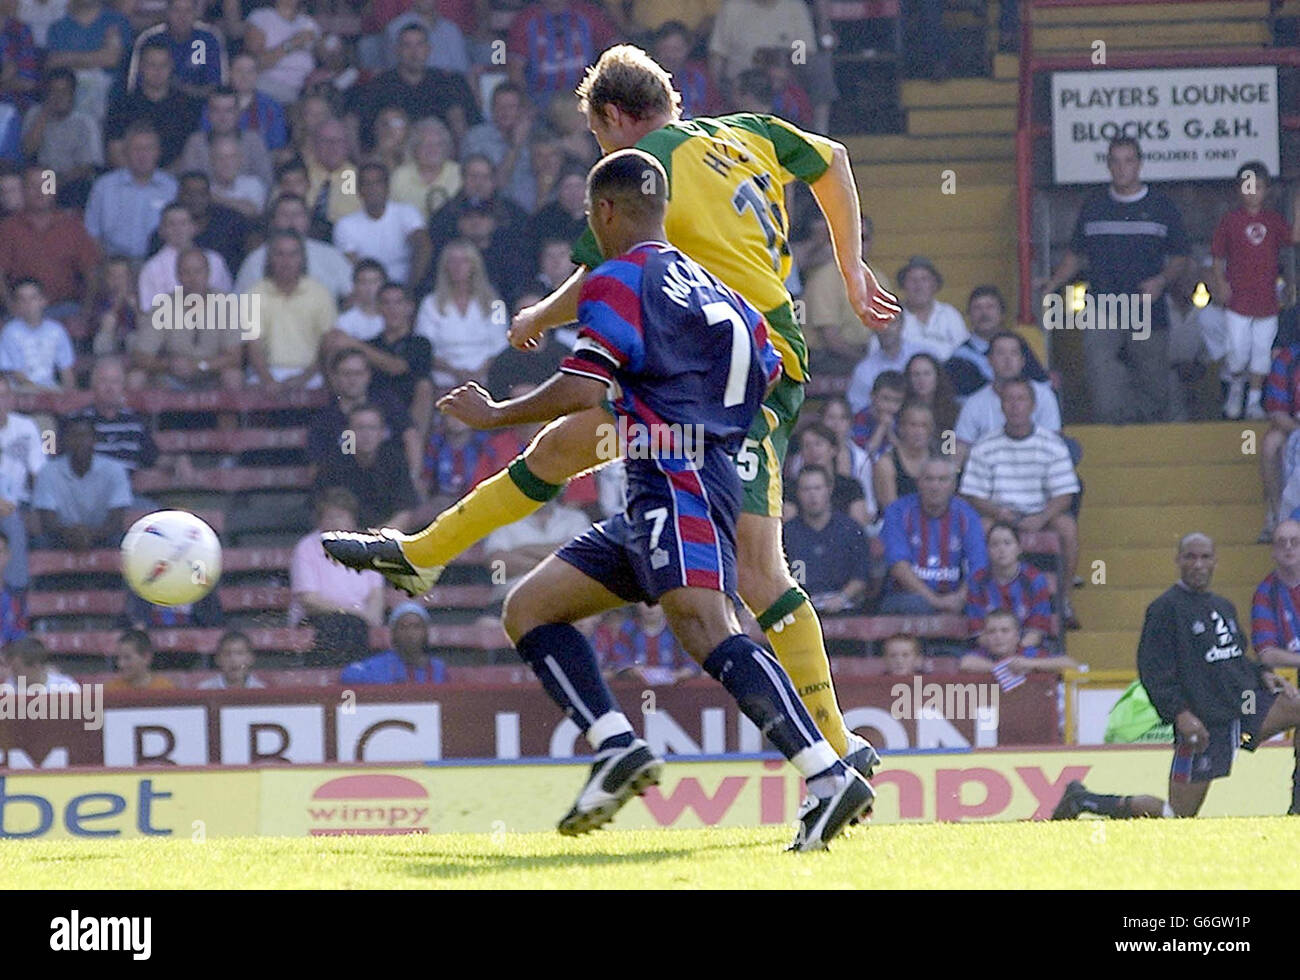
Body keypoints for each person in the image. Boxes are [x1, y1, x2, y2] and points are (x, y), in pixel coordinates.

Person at [325, 44, 899, 772]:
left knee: (757, 570)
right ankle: (422, 555)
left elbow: (607, 256)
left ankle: (836, 747)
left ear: (617, 116)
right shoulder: (744, 131)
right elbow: (833, 158)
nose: (603, 152)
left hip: (743, 370)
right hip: (697, 361)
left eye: (600, 136)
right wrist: (850, 268)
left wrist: (541, 314)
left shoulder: (648, 165)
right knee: (563, 449)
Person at [392, 149, 874, 847]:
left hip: (673, 480)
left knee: (707, 625)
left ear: (605, 211)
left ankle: (827, 773)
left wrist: (495, 415)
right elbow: (766, 367)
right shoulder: (714, 286)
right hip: (688, 478)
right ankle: (617, 745)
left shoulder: (618, 278)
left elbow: (582, 387)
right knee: (530, 608)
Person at [1055, 532, 1300, 820]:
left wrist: (1263, 674)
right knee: (1176, 816)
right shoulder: (1165, 609)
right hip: (1206, 723)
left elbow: (1232, 656)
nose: (1198, 564)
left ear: (1215, 562)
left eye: (1205, 557)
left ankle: (1296, 809)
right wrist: (1180, 714)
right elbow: (1153, 671)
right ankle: (1084, 799)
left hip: (1243, 706)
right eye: (1190, 557)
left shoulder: (1223, 606)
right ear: (1178, 561)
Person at [1039, 136, 1190, 424]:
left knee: (1154, 386)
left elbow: (1181, 257)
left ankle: (1149, 439)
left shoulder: (1162, 206)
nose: (1122, 168)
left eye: (1129, 161)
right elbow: (1074, 255)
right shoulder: (1094, 205)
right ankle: (1116, 437)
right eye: (1116, 161)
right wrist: (1052, 283)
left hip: (1148, 310)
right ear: (1108, 165)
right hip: (1103, 307)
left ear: (1140, 164)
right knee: (1101, 379)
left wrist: (1161, 281)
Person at [958, 379, 1081, 627]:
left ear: (1033, 405)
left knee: (1068, 528)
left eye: (1021, 399)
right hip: (998, 513)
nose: (1015, 406)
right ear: (1001, 406)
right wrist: (1000, 512)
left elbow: (1065, 495)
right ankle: (973, 596)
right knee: (975, 529)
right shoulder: (984, 446)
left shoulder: (1052, 443)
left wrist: (1042, 518)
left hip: (1041, 512)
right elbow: (973, 495)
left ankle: (1063, 599)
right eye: (1009, 400)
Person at [1211, 161, 1296, 420]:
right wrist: (1221, 283)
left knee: (1261, 352)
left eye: (1258, 186)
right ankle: (1237, 386)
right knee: (1237, 351)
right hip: (1237, 300)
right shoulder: (1230, 221)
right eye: (1247, 186)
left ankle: (1254, 401)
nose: (1252, 191)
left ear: (1266, 190)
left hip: (1267, 301)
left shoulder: (1273, 221)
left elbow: (1294, 238)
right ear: (1239, 189)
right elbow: (1217, 255)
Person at [879, 455, 986, 615]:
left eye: (943, 480)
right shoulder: (898, 512)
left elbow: (978, 564)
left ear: (953, 485)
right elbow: (898, 565)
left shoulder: (967, 515)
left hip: (956, 595)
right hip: (906, 596)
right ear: (918, 482)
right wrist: (935, 601)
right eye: (929, 479)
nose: (935, 486)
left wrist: (960, 598)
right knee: (916, 605)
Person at [290, 487, 384, 664]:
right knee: (341, 626)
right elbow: (309, 600)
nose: (335, 522)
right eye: (329, 517)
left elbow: (376, 594)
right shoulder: (306, 548)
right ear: (320, 521)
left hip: (358, 621)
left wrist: (372, 618)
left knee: (355, 628)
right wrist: (352, 612)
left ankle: (355, 680)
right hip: (319, 618)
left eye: (340, 516)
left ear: (352, 519)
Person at [130, 247, 244, 390]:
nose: (193, 279)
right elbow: (141, 355)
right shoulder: (164, 306)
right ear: (177, 276)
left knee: (233, 377)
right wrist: (168, 365)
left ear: (208, 274)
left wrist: (199, 366)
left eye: (198, 272)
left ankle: (227, 414)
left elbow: (235, 357)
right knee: (137, 378)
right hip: (173, 376)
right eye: (186, 272)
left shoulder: (227, 304)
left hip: (213, 375)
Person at [244, 229, 335, 389]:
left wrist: (303, 378)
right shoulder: (254, 293)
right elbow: (254, 346)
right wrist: (268, 380)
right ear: (270, 258)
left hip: (311, 374)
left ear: (302, 258)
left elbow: (328, 343)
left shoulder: (320, 292)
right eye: (280, 254)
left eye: (293, 254)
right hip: (266, 373)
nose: (287, 261)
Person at [953, 331, 1062, 465]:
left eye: (1014, 353)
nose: (1007, 359)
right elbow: (961, 448)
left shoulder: (1044, 396)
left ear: (1023, 361)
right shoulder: (974, 403)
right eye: (1000, 353)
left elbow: (1052, 443)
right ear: (989, 360)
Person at [415, 238, 506, 388]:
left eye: (464, 261)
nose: (458, 267)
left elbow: (500, 346)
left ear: (474, 265)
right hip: (444, 380)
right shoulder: (429, 303)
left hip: (486, 379)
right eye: (452, 261)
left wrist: (476, 375)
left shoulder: (496, 302)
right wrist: (456, 373)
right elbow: (425, 348)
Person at [32, 415, 131, 550]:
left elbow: (116, 522)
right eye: (74, 436)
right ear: (64, 441)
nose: (80, 442)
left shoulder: (114, 470)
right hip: (62, 536)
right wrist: (72, 534)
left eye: (85, 436)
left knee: (124, 541)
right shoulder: (48, 471)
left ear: (95, 440)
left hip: (102, 535)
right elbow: (48, 522)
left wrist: (89, 535)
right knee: (39, 542)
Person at [313, 404, 418, 530]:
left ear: (382, 432)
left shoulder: (396, 462)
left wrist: (378, 538)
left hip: (385, 538)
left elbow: (404, 512)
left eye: (372, 428)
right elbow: (325, 511)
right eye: (360, 428)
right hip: (343, 537)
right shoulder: (332, 463)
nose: (366, 434)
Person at [783, 465, 870, 615]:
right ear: (797, 493)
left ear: (829, 490)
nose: (812, 495)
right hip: (798, 611)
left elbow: (861, 576)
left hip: (844, 609)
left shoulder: (850, 529)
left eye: (817, 488)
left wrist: (841, 598)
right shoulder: (786, 533)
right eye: (806, 489)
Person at [234, 192, 353, 300]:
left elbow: (352, 294)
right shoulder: (255, 259)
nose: (291, 221)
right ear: (273, 221)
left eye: (297, 215)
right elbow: (240, 304)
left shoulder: (330, 255)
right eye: (284, 215)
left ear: (307, 220)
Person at [83, 122, 177, 260]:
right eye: (136, 149)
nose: (143, 155)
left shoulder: (171, 187)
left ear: (158, 152)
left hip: (158, 265)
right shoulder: (104, 186)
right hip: (113, 266)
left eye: (148, 148)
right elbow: (91, 232)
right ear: (125, 152)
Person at [104, 38, 202, 168]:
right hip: (129, 180)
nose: (158, 71)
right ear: (140, 67)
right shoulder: (122, 104)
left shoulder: (187, 105)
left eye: (163, 65)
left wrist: (163, 181)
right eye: (151, 64)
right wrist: (139, 181)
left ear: (171, 66)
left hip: (175, 181)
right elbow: (115, 151)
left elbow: (192, 151)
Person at [332, 162, 430, 287]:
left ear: (387, 187)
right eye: (366, 184)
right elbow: (353, 266)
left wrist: (412, 288)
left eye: (378, 183)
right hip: (369, 290)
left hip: (407, 287)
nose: (373, 188)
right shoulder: (345, 225)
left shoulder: (407, 212)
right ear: (358, 190)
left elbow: (423, 246)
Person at [945, 284, 1048, 399]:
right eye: (977, 308)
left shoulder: (1018, 346)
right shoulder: (960, 359)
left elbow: (1043, 385)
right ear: (969, 315)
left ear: (1002, 313)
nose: (984, 313)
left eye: (990, 307)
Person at [965, 522, 1055, 649]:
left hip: (1026, 650)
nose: (1001, 550)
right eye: (995, 544)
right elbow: (978, 631)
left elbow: (1037, 630)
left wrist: (1014, 652)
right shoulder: (978, 581)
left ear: (1019, 548)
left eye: (1007, 543)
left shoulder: (1034, 580)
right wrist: (1001, 651)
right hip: (989, 651)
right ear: (987, 550)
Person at [137, 201, 233, 312]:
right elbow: (148, 310)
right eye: (171, 224)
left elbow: (227, 300)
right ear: (161, 230)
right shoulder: (151, 268)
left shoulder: (215, 260)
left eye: (184, 223)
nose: (178, 230)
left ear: (195, 227)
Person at [20, 68, 103, 196]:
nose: (59, 96)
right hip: (42, 178)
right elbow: (28, 150)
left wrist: (57, 182)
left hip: (74, 181)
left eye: (65, 91)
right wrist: (44, 114)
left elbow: (88, 166)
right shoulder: (35, 114)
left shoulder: (86, 122)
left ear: (73, 93)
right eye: (54, 91)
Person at [125, 0, 226, 98]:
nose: (182, 17)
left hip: (199, 106)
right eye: (176, 10)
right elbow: (135, 86)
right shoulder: (149, 38)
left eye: (188, 11)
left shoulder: (209, 38)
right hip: (155, 105)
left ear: (196, 12)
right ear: (167, 12)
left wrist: (184, 90)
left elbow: (216, 87)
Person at [175, 86, 273, 186]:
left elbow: (265, 182)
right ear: (208, 114)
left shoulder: (254, 141)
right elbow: (188, 185)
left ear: (238, 113)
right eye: (216, 110)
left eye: (229, 110)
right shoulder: (196, 142)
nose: (222, 116)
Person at [0, 375, 43, 590]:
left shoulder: (27, 427)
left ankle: (17, 600)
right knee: (11, 519)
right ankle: (15, 599)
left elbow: (39, 474)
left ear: (11, 399)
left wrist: (39, 508)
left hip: (18, 503)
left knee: (14, 518)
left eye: (3, 396)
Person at [959, 609, 1076, 686]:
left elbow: (1071, 664)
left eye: (1005, 631)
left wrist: (1029, 664)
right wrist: (1003, 668)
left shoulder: (1028, 654)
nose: (998, 636)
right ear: (984, 637)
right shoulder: (983, 654)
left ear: (1017, 636)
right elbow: (965, 663)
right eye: (991, 632)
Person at [339, 601, 446, 684]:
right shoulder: (378, 666)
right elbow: (348, 675)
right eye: (403, 627)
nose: (410, 633)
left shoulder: (437, 668)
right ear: (393, 633)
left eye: (416, 627)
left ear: (426, 632)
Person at [847, 318, 936, 415]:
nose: (886, 328)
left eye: (892, 323)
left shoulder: (923, 355)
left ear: (902, 324)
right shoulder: (863, 370)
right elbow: (856, 411)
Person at [784, 424, 867, 526]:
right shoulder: (790, 488)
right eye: (807, 445)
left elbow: (859, 526)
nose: (813, 450)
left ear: (833, 450)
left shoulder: (850, 487)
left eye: (818, 444)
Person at [0, 278, 75, 390]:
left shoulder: (57, 330)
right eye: (22, 299)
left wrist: (69, 395)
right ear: (16, 305)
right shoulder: (9, 332)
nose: (28, 304)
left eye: (33, 298)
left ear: (43, 301)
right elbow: (16, 375)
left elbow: (67, 371)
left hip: (51, 390)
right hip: (19, 393)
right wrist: (44, 393)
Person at [891, 255, 968, 360]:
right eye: (912, 280)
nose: (918, 286)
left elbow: (964, 351)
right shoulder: (893, 317)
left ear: (934, 284)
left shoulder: (950, 315)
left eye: (924, 279)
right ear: (903, 285)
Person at [1250, 518, 1300, 672]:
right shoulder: (1264, 594)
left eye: (1295, 541)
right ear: (1273, 552)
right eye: (1281, 542)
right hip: (1290, 679)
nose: (1288, 547)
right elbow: (1267, 654)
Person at [872, 399, 935, 513]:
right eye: (913, 425)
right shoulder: (886, 463)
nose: (918, 431)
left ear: (930, 430)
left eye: (924, 426)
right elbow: (892, 510)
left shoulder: (938, 459)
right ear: (901, 428)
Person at [904, 351, 958, 435]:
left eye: (927, 374)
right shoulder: (901, 409)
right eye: (916, 374)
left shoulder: (952, 411)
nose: (921, 379)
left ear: (937, 376)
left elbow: (950, 446)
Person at [105, 629, 174, 690]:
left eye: (127, 657)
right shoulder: (109, 690)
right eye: (118, 658)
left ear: (146, 657)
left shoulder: (165, 688)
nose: (120, 664)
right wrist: (98, 700)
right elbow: (98, 704)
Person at [1, 636, 77, 691]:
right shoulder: (8, 688)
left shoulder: (65, 687)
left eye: (16, 669)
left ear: (36, 666)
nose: (12, 674)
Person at [198, 629, 266, 689]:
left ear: (251, 659)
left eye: (240, 653)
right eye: (227, 654)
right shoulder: (206, 688)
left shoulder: (260, 689)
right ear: (218, 660)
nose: (233, 659)